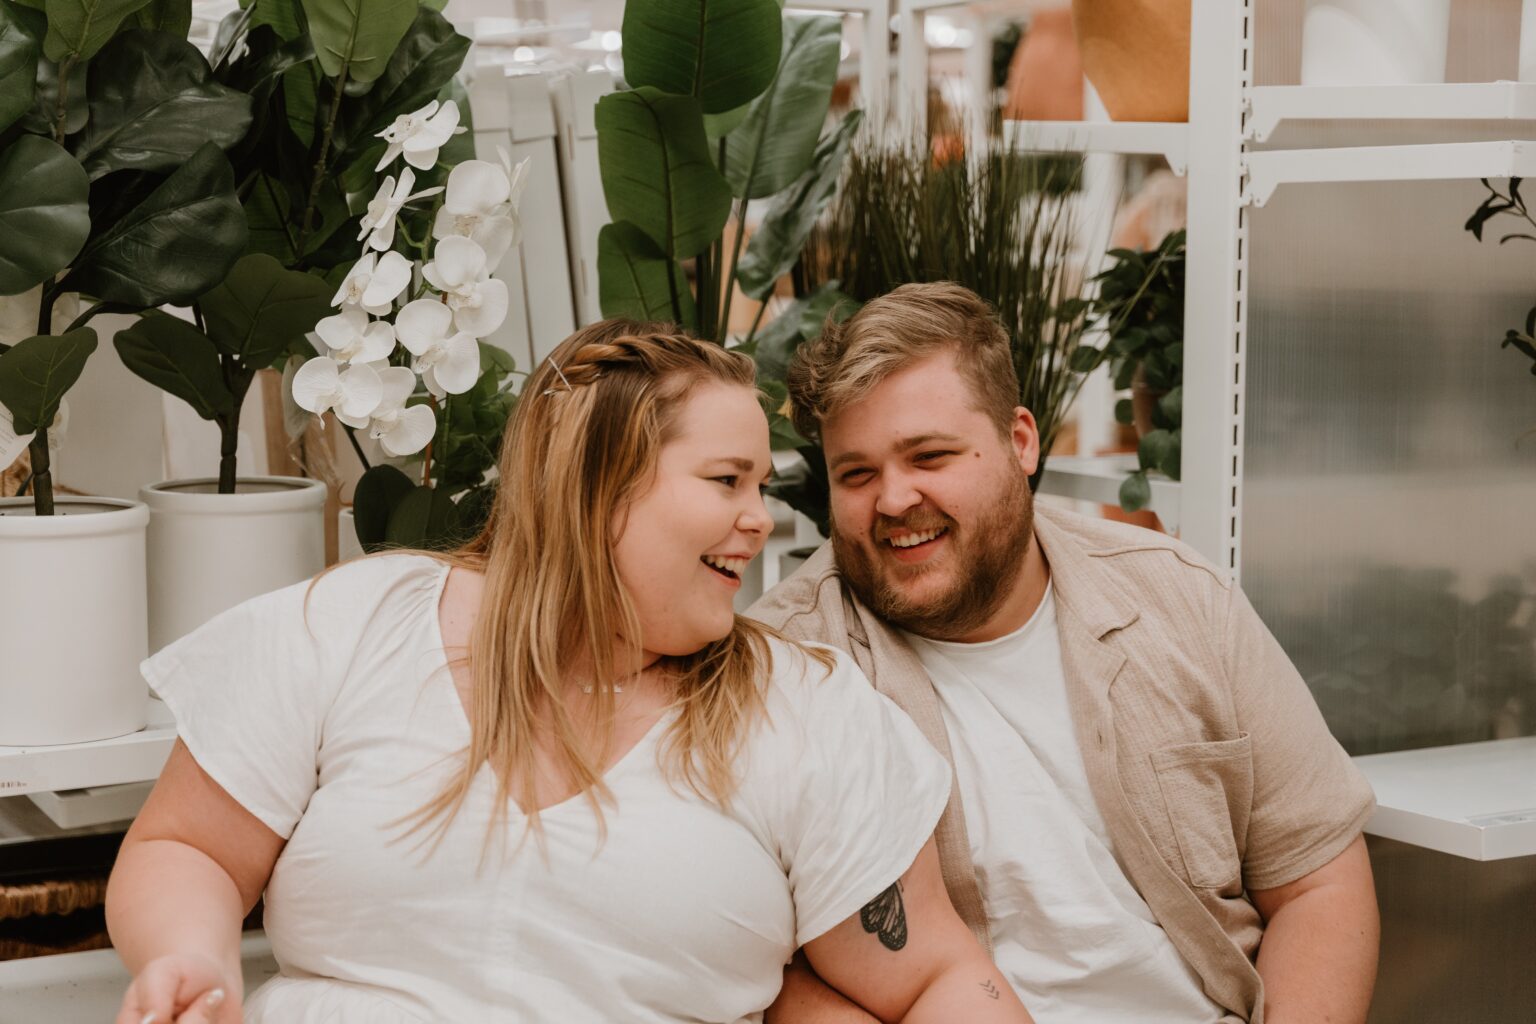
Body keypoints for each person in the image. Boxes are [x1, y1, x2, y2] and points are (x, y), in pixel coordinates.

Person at [106, 321, 1034, 1024]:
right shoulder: (357, 626)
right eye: (726, 481)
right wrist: (192, 961)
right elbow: (185, 848)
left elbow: (939, 977)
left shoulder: (805, 712)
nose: (760, 520)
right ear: (597, 482)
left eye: (764, 487)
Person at [750, 283, 1380, 1024]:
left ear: (1021, 441)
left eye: (929, 455)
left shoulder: (1180, 598)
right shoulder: (782, 669)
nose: (892, 500)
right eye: (856, 474)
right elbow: (770, 978)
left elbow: (1317, 882)